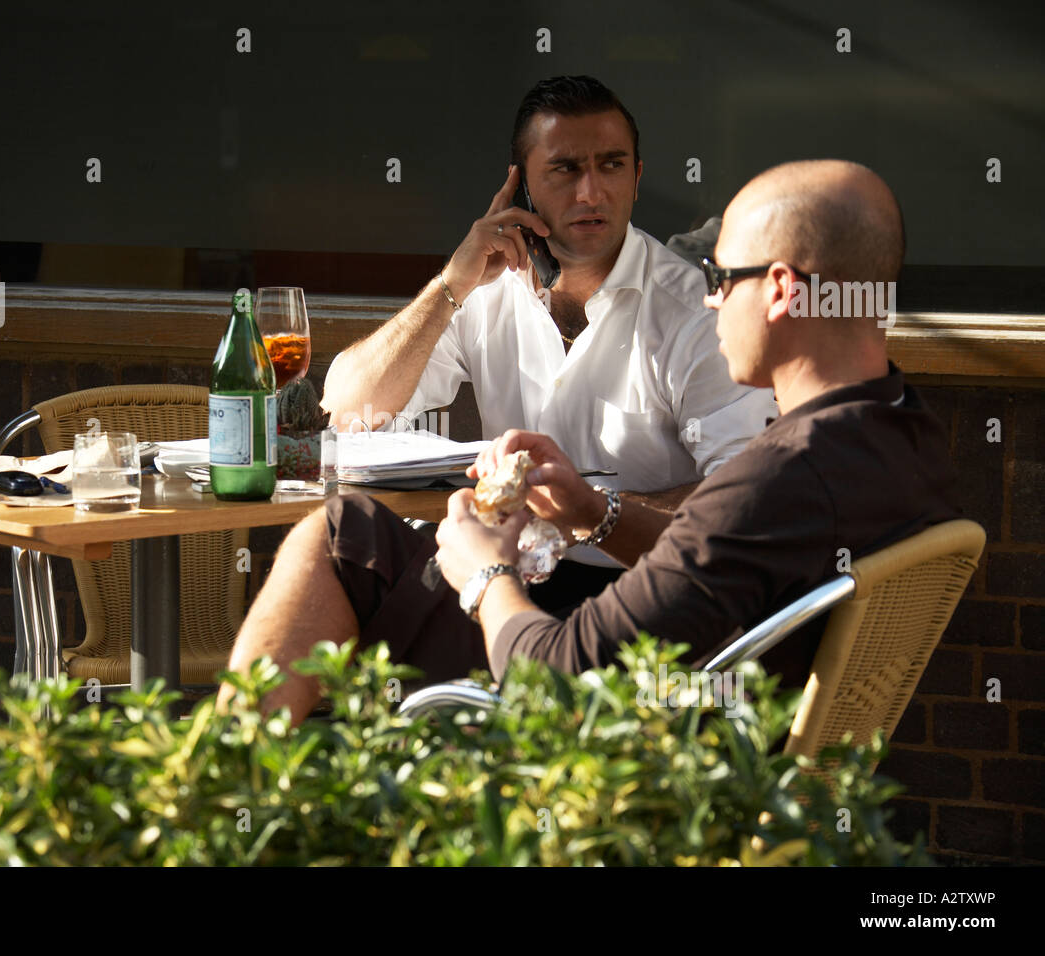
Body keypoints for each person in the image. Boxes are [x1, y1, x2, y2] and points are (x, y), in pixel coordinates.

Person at [215, 159, 961, 724]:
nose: (708, 299)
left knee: (342, 538)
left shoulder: (783, 476)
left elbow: (555, 677)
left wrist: (483, 570)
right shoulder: (903, 432)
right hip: (710, 695)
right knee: (355, 535)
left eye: (720, 276)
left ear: (781, 291)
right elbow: (723, 562)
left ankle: (227, 799)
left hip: (631, 741)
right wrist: (593, 511)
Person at [322, 75, 777, 609]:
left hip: (641, 590)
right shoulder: (484, 291)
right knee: (329, 540)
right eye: (566, 169)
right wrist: (451, 284)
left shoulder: (696, 313)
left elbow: (745, 500)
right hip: (503, 580)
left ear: (636, 179)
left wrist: (584, 508)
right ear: (521, 188)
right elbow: (349, 410)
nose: (591, 193)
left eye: (611, 165)